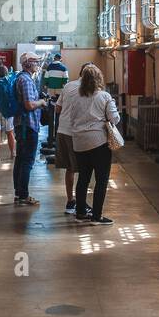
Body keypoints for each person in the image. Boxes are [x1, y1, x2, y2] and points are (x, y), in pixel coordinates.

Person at [70, 64, 119, 225]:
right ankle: (96, 216)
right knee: (101, 179)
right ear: (99, 78)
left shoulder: (76, 96)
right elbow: (115, 118)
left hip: (79, 142)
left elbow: (71, 118)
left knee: (83, 178)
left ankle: (80, 212)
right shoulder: (104, 96)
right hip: (98, 142)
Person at [53, 63, 93, 213]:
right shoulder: (90, 89)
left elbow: (57, 108)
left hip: (62, 131)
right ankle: (81, 204)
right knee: (84, 169)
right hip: (77, 133)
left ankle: (71, 202)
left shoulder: (68, 86)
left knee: (70, 169)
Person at [11, 53, 47, 206]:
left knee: (20, 159)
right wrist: (42, 102)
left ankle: (19, 193)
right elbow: (29, 105)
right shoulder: (25, 80)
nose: (37, 64)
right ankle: (23, 195)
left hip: (24, 124)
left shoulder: (23, 78)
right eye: (35, 61)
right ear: (28, 64)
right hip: (28, 125)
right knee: (27, 161)